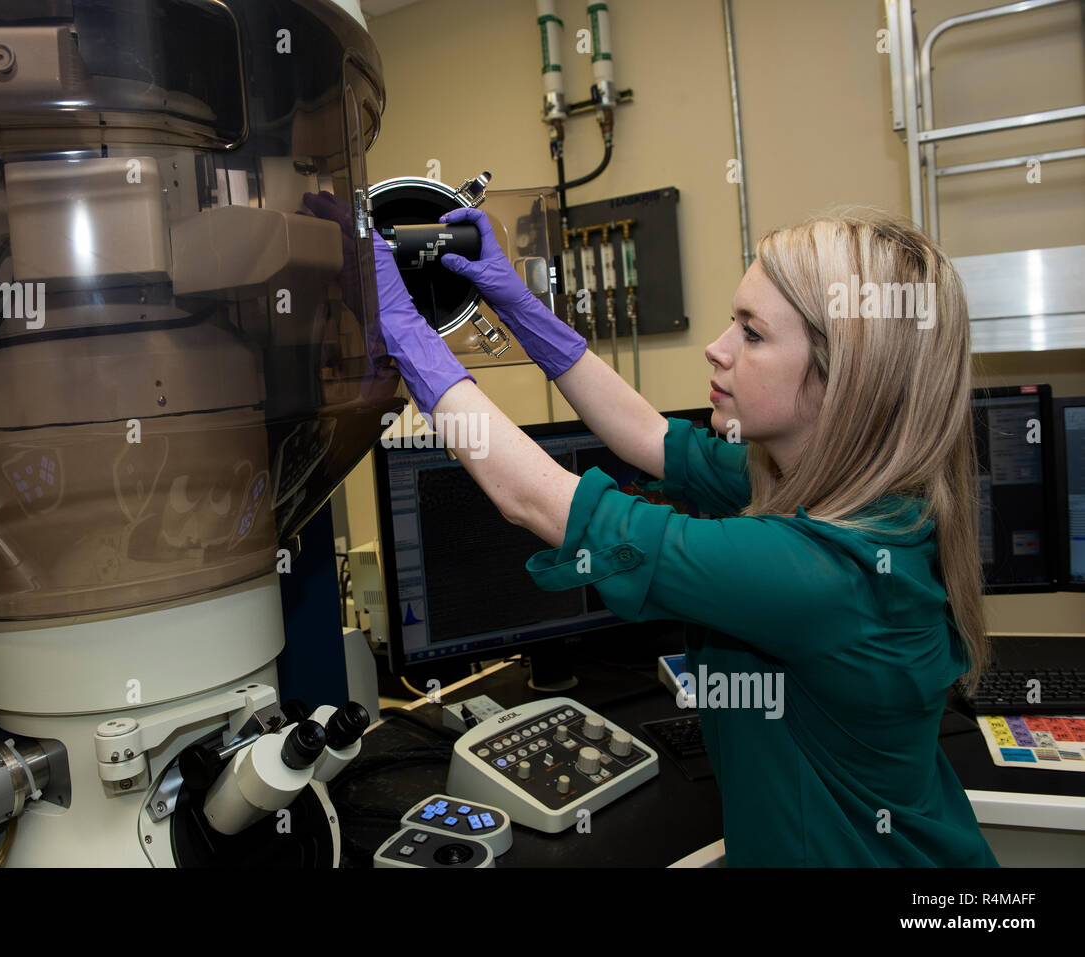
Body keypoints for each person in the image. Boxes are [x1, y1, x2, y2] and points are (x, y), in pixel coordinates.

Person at [369, 203, 998, 867]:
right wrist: (514, 300)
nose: (717, 347)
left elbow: (537, 500)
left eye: (751, 334)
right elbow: (648, 435)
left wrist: (407, 335)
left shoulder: (825, 571)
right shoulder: (841, 494)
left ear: (840, 378)